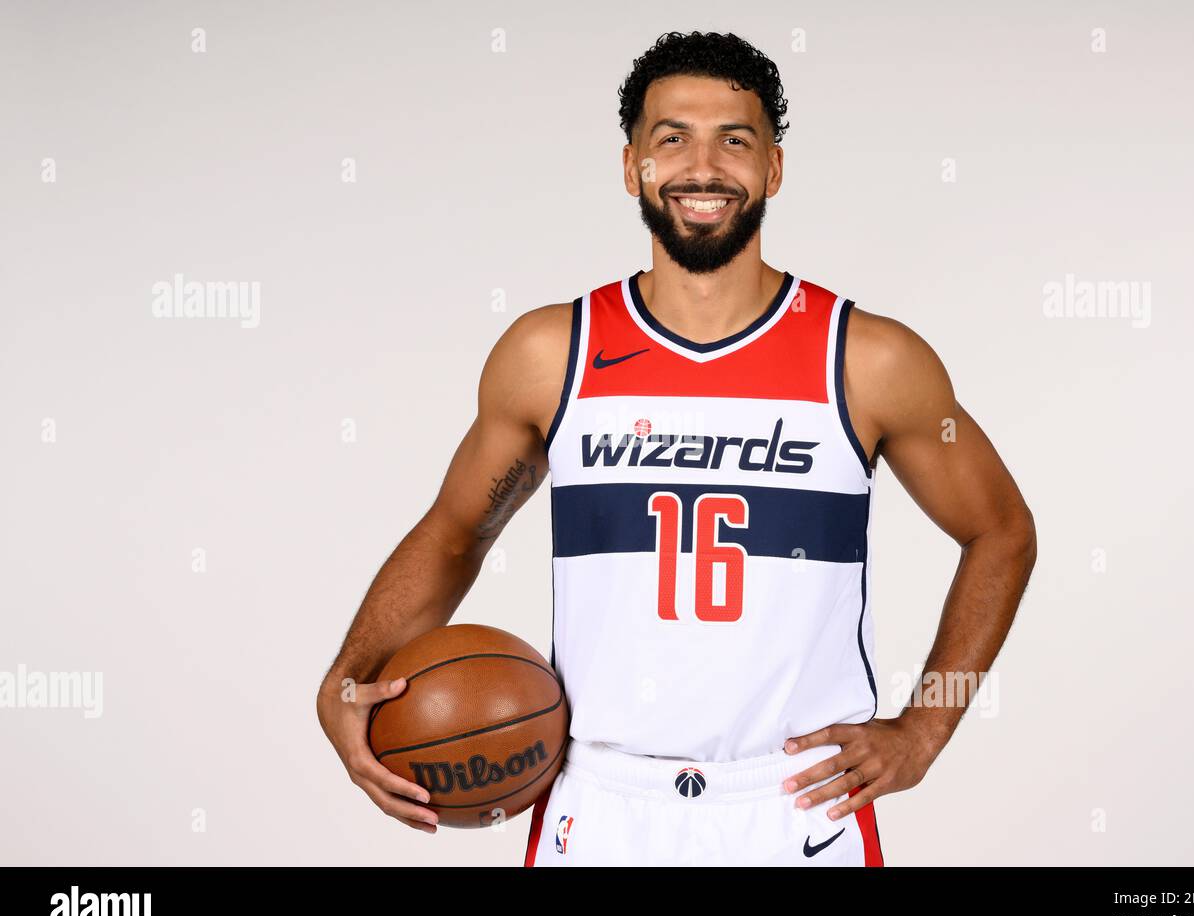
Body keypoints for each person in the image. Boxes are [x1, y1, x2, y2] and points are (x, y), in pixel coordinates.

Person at [317, 30, 1036, 866]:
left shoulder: (866, 358)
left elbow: (1001, 531)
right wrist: (350, 675)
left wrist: (924, 729)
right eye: (673, 139)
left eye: (735, 139)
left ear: (773, 168)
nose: (705, 167)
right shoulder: (554, 354)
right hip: (600, 801)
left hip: (795, 800)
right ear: (633, 169)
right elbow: (454, 534)